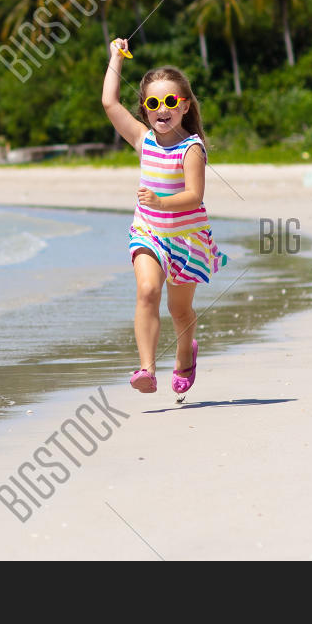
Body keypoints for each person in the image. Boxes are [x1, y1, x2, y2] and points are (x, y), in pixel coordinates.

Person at [100, 39, 227, 395]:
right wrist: (116, 58)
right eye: (153, 103)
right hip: (149, 233)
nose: (162, 109)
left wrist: (159, 200)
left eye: (171, 101)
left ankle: (186, 353)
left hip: (186, 240)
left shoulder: (192, 148)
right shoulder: (144, 141)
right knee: (147, 289)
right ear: (144, 109)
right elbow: (109, 102)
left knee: (180, 310)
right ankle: (146, 369)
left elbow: (194, 196)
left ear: (184, 106)